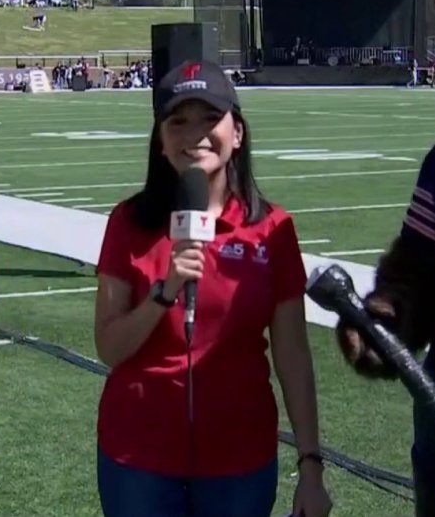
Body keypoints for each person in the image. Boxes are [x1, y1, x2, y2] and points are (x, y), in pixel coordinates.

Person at [93, 60, 332, 517]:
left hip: (240, 458)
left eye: (210, 118)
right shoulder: (128, 222)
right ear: (160, 141)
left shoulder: (273, 229)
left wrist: (311, 463)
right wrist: (165, 290)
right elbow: (109, 347)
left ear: (237, 133)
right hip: (138, 455)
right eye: (178, 121)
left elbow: (293, 355)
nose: (195, 133)